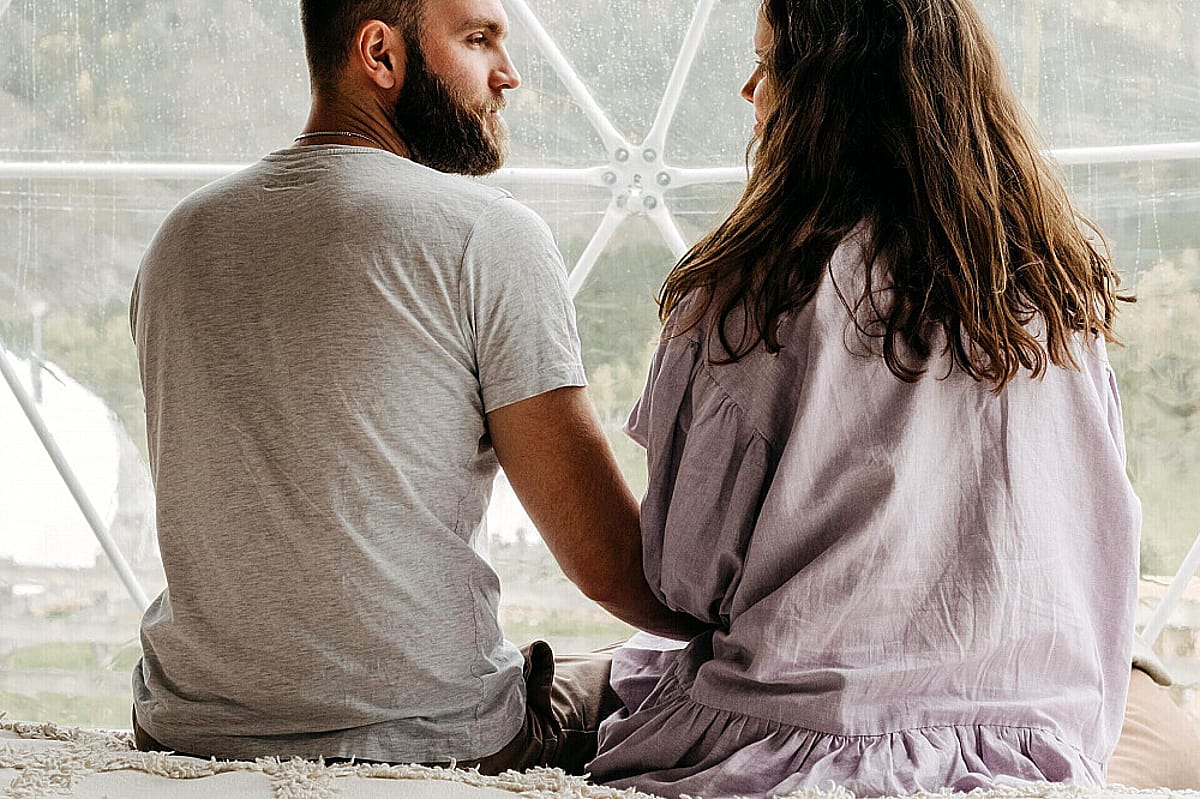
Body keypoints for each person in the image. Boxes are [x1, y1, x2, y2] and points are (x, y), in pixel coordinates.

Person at [586, 0, 1142, 796]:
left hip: (799, 746)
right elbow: (1105, 557)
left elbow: (687, 577)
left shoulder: (748, 298)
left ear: (828, 94)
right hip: (1035, 755)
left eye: (769, 64)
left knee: (600, 685)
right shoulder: (1057, 299)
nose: (749, 90)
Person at [129, 0, 700, 772]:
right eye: (478, 39)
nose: (509, 74)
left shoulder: (180, 237)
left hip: (187, 721)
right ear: (380, 54)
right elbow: (607, 564)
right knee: (664, 672)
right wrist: (757, 615)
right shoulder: (488, 234)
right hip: (434, 735)